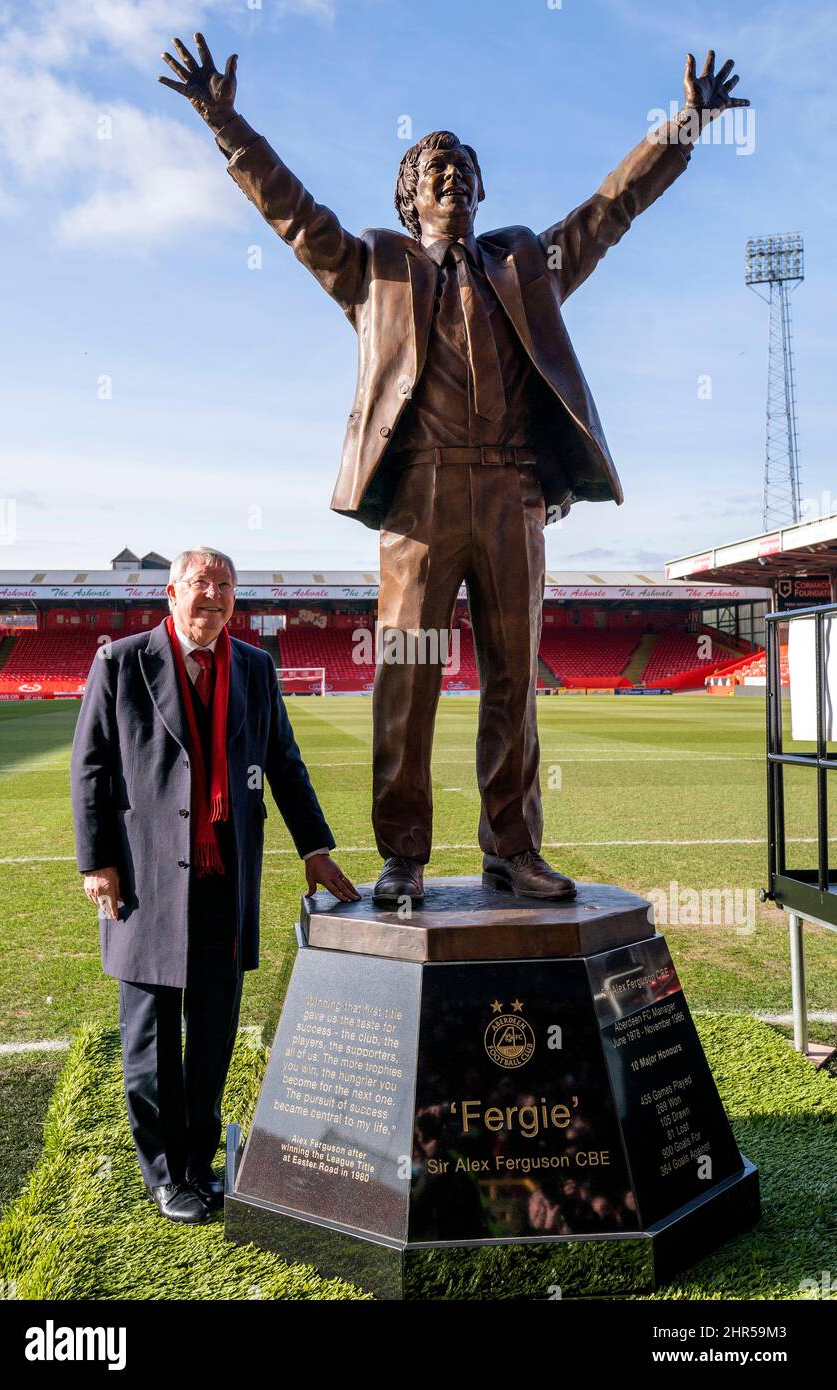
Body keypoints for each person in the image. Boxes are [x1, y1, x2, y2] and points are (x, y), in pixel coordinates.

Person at [158, 35, 747, 906]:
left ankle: (513, 849)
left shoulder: (525, 264)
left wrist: (686, 125)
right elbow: (288, 211)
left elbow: (609, 209)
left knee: (516, 678)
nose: (453, 180)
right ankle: (403, 855)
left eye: (465, 170)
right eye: (436, 171)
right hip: (423, 498)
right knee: (408, 674)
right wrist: (224, 120)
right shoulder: (373, 268)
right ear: (409, 197)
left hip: (513, 494)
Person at [70, 546, 359, 1223]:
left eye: (226, 586)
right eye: (201, 583)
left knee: (212, 1036)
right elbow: (91, 767)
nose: (214, 596)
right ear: (172, 592)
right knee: (150, 1040)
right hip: (145, 880)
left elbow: (283, 762)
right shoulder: (121, 661)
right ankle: (165, 1174)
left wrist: (314, 848)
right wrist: (97, 863)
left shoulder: (255, 667)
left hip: (224, 881)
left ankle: (199, 1162)